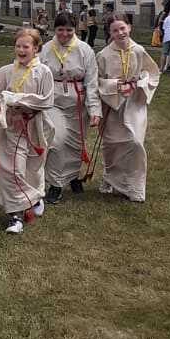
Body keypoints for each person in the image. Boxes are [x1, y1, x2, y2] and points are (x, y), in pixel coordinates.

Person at [0, 27, 54, 235]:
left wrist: (16, 100)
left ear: (36, 49)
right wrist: (1, 105)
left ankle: (35, 196)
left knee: (32, 167)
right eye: (18, 45)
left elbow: (46, 100)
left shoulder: (43, 72)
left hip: (34, 126)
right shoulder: (5, 71)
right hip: (11, 128)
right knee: (13, 169)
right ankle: (15, 215)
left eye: (25, 46)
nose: (21, 49)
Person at [95, 17, 159, 201]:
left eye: (122, 28)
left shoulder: (139, 51)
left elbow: (152, 74)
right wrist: (115, 85)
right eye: (115, 30)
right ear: (110, 33)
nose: (120, 33)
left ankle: (134, 187)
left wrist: (139, 84)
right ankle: (110, 178)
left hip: (134, 104)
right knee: (112, 146)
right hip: (112, 106)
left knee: (135, 143)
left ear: (129, 28)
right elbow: (96, 81)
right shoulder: (104, 55)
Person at [41, 11, 101, 202]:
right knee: (57, 140)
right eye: (60, 30)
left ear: (74, 29)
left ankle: (73, 176)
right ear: (54, 29)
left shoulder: (85, 50)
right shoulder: (45, 49)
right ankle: (56, 184)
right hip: (53, 101)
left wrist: (94, 110)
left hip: (77, 102)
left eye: (68, 30)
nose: (64, 34)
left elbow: (92, 81)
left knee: (75, 143)